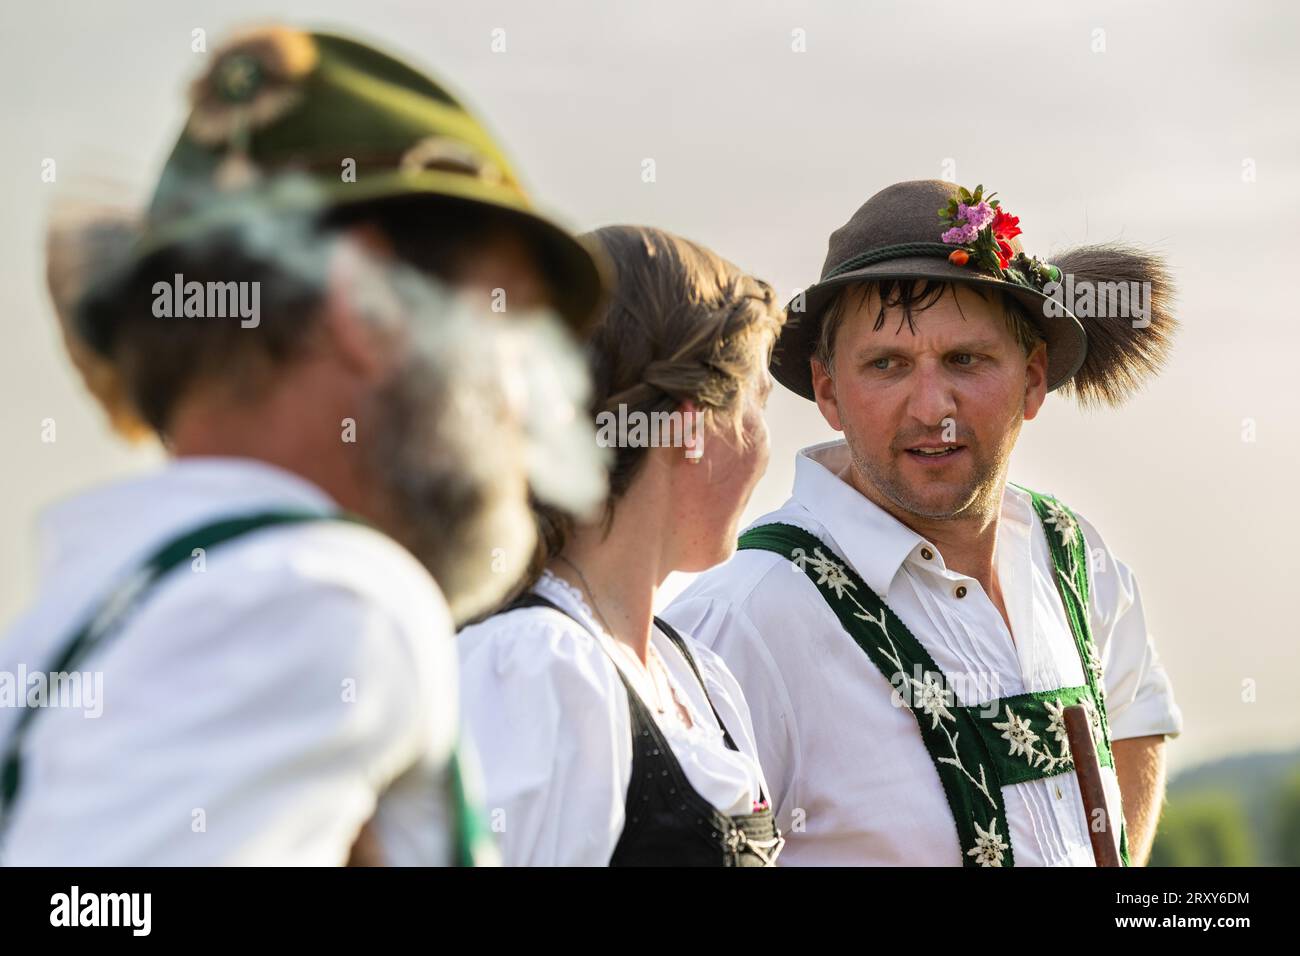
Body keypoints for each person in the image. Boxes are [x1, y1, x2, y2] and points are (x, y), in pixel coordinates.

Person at [0, 25, 606, 866]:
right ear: (366, 304)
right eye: (507, 321)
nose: (529, 395)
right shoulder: (327, 592)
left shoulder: (86, 604)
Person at [664, 180, 1184, 866]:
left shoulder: (1074, 560)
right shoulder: (744, 618)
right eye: (887, 365)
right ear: (828, 391)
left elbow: (1136, 718)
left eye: (965, 360)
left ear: (1031, 380)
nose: (931, 406)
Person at [459, 226, 787, 865]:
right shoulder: (533, 667)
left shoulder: (694, 672)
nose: (766, 444)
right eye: (759, 402)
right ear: (692, 426)